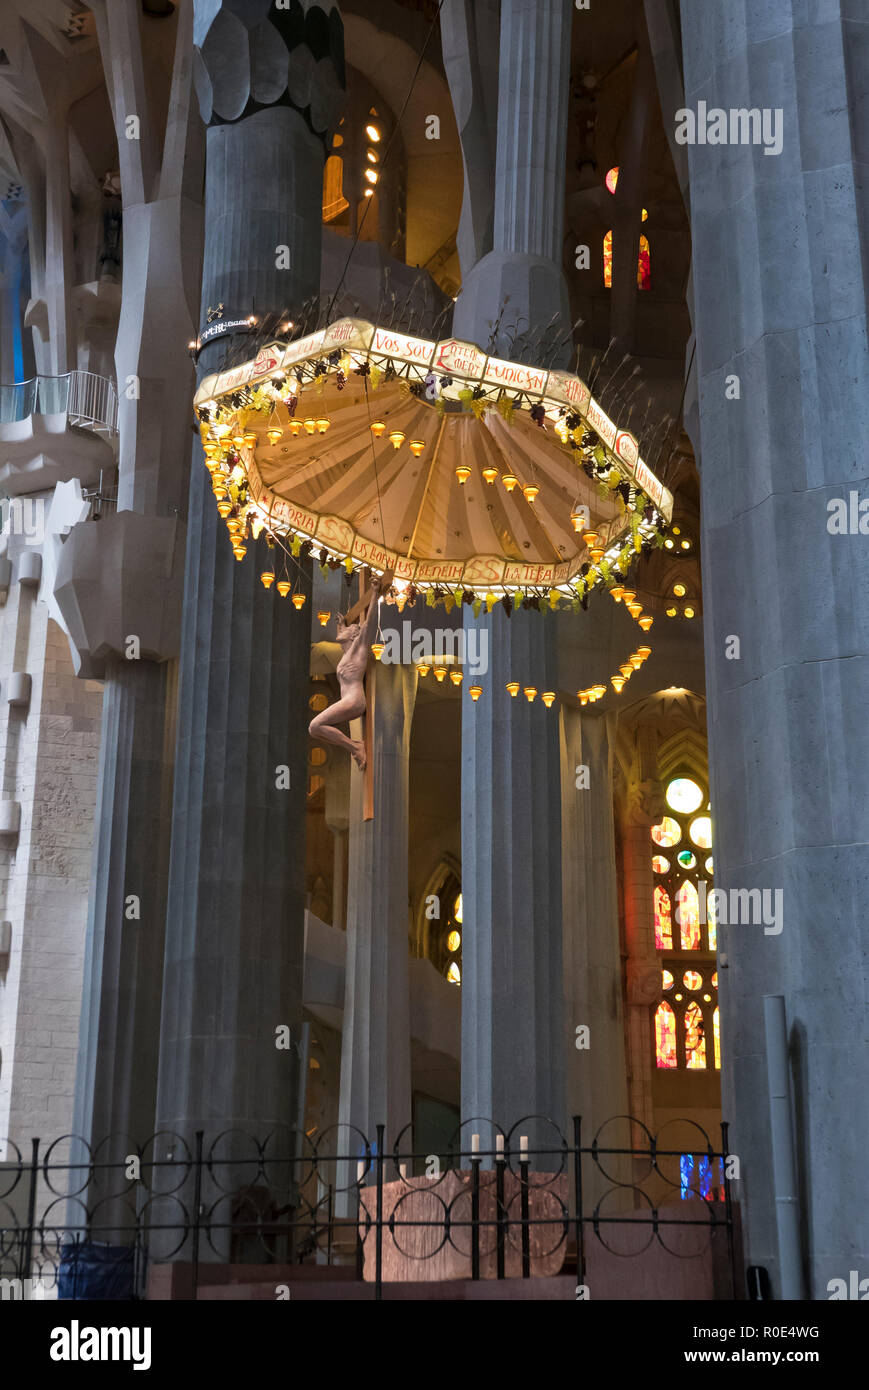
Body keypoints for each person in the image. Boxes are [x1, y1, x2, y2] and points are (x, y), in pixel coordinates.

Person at [308, 576, 384, 771]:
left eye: (348, 629)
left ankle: (355, 747)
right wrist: (342, 625)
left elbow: (371, 623)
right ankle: (354, 746)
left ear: (355, 635)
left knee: (315, 727)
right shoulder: (348, 653)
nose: (343, 629)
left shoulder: (359, 649)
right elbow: (344, 641)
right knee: (315, 729)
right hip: (349, 701)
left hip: (354, 701)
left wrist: (375, 593)